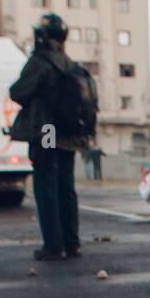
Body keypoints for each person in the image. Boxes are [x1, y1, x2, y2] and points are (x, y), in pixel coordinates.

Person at [9, 13, 91, 260]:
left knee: (46, 185)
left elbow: (18, 92)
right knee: (66, 186)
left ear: (42, 36)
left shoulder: (40, 62)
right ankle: (71, 243)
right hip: (69, 133)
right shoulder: (69, 63)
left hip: (46, 130)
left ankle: (53, 245)